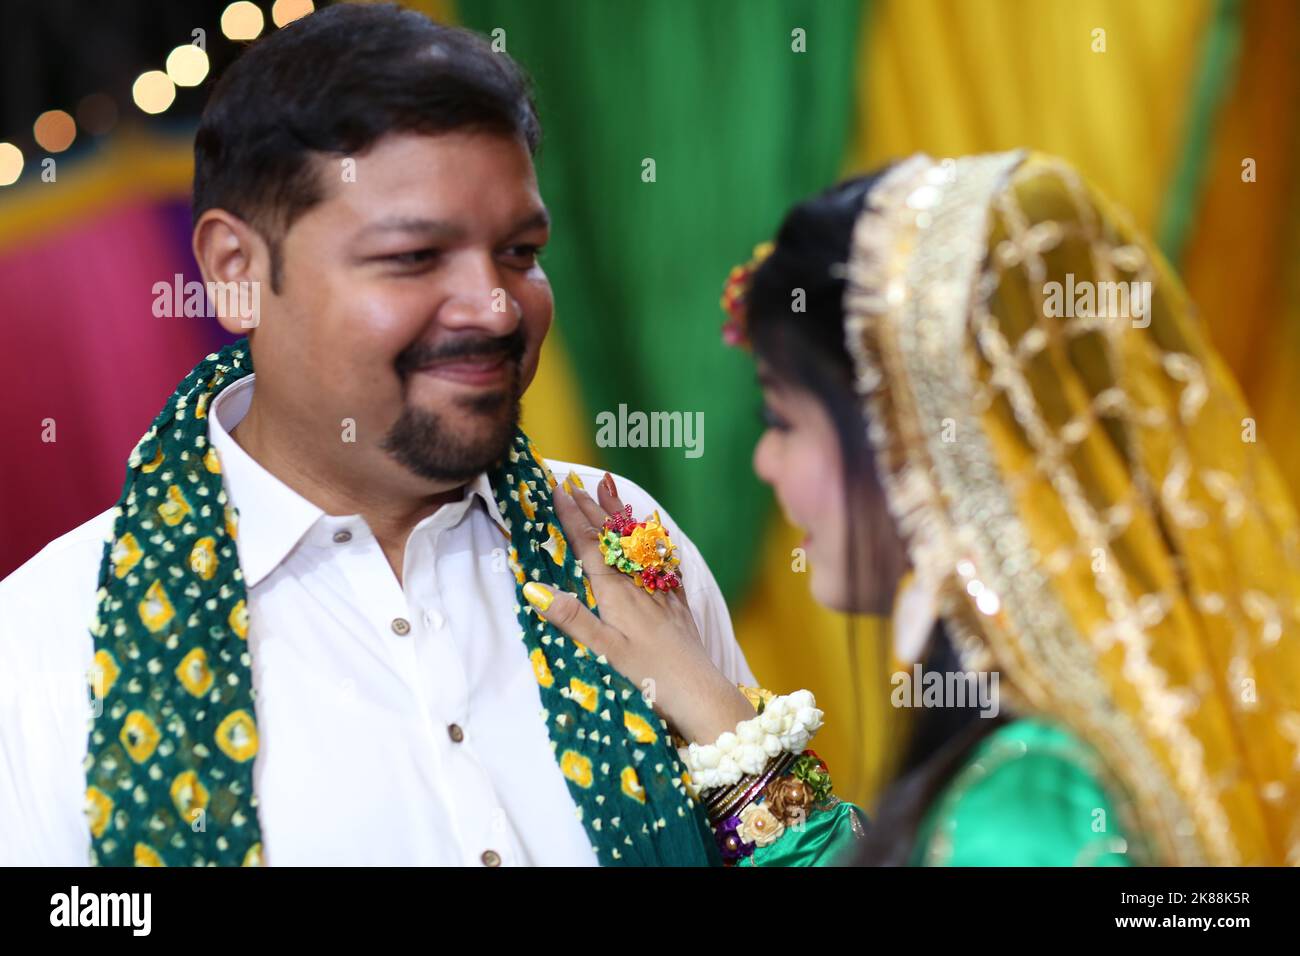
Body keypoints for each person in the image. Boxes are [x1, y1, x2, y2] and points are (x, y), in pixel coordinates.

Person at [0, 4, 758, 867]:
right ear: (235, 273)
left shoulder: (623, 548)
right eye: (413, 258)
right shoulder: (46, 650)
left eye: (520, 251)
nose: (497, 306)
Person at [529, 151, 1300, 865]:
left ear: (911, 446)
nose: (765, 461)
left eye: (783, 422)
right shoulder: (1087, 722)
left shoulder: (1034, 807)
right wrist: (704, 701)